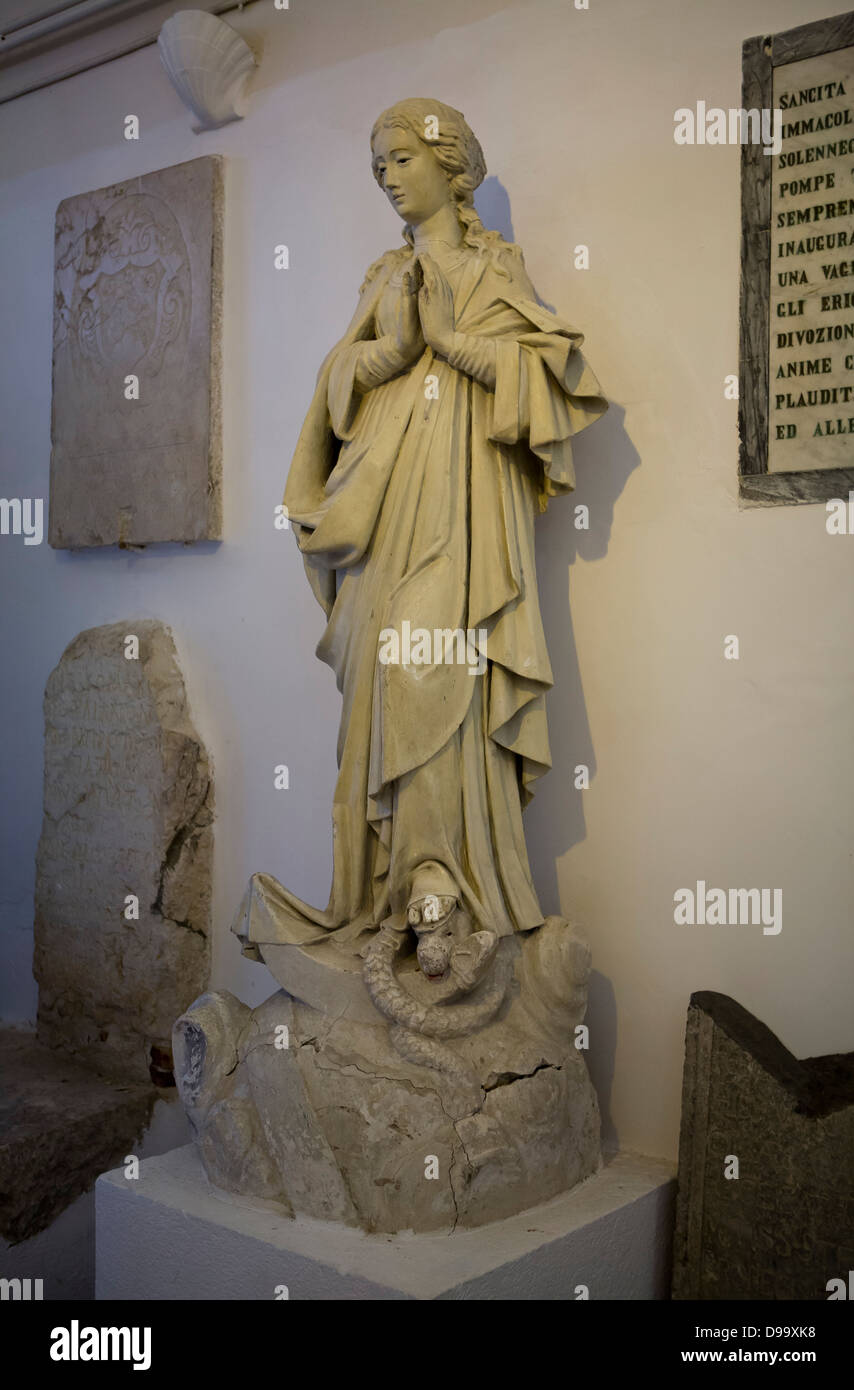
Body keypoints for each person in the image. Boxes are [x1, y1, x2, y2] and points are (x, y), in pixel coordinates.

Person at [243, 97, 607, 964]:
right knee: (380, 678)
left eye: (400, 159)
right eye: (378, 167)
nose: (388, 179)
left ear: (450, 165)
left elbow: (546, 385)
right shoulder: (382, 277)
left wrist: (448, 340)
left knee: (436, 671)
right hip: (382, 509)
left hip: (464, 508)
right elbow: (340, 386)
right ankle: (383, 895)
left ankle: (444, 882)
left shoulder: (493, 269)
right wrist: (393, 354)